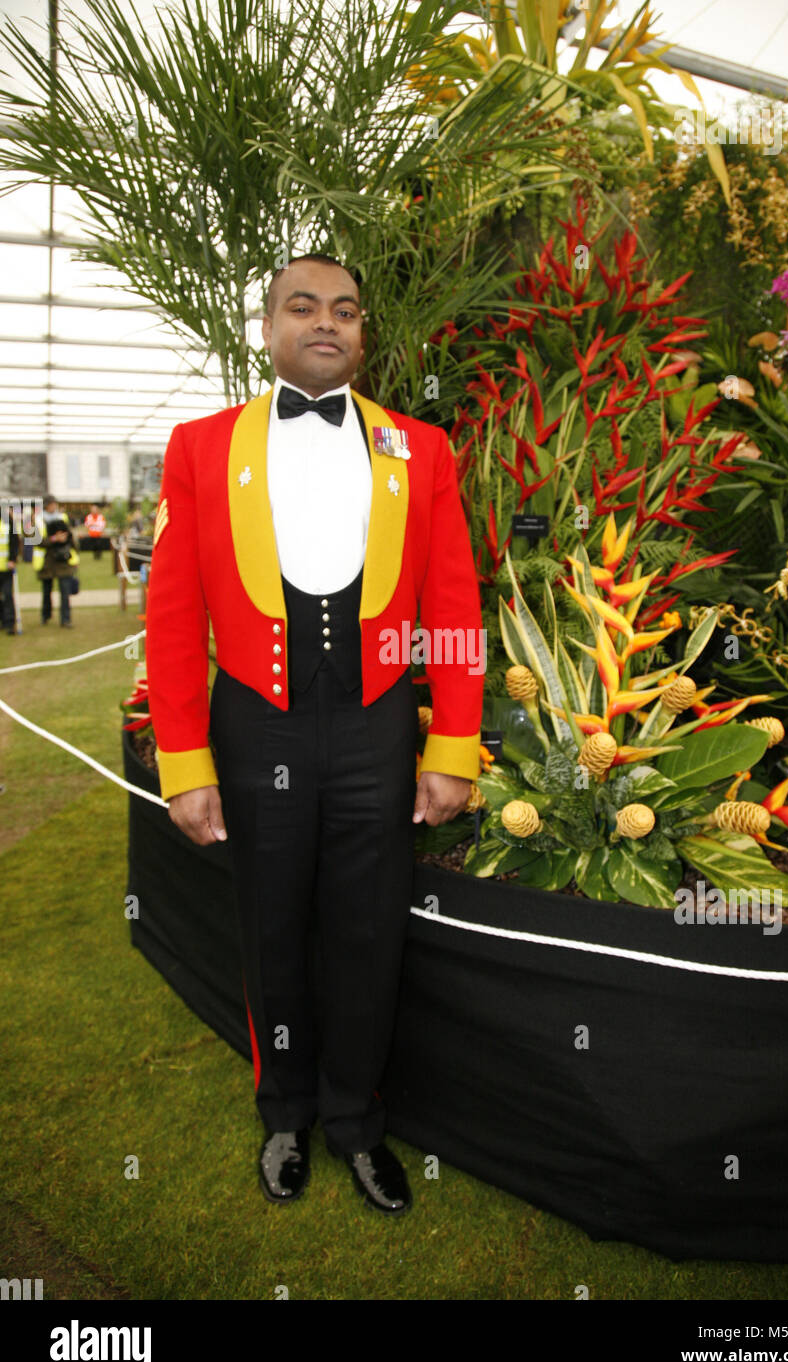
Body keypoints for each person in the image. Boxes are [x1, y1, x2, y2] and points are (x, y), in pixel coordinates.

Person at [145, 255, 483, 1216]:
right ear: (269, 327)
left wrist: (451, 747)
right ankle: (285, 1111)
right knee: (272, 926)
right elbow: (171, 620)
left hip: (377, 726)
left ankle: (356, 1121)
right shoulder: (202, 447)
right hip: (256, 725)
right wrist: (185, 765)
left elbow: (453, 605)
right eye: (303, 306)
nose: (326, 322)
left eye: (345, 311)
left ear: (363, 334)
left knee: (371, 932)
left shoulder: (422, 449)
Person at [33, 495, 79, 627]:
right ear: (46, 505)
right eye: (51, 504)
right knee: (46, 591)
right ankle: (45, 615)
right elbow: (35, 541)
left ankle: (66, 619)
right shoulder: (37, 520)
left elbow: (71, 538)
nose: (54, 506)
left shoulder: (62, 518)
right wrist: (54, 539)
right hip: (46, 561)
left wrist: (66, 540)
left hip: (62, 559)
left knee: (65, 591)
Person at [0, 506, 19, 635]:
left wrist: (12, 559)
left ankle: (10, 622)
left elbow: (14, 540)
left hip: (6, 567)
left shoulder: (7, 519)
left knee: (7, 594)